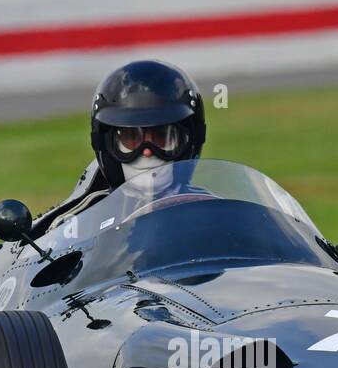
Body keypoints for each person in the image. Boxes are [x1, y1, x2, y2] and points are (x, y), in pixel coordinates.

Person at [30, 59, 206, 238]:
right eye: (132, 139)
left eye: (161, 137)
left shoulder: (213, 210)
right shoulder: (76, 225)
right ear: (106, 145)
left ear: (188, 141)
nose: (146, 151)